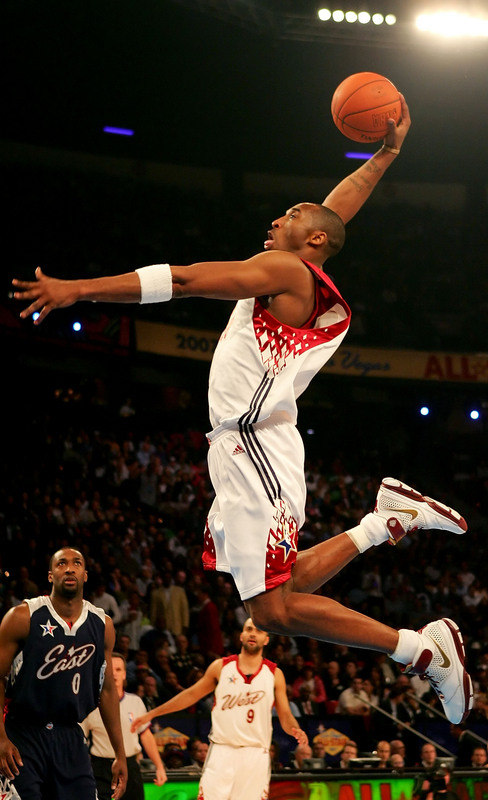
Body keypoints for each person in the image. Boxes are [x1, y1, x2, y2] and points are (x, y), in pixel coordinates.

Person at [12, 96, 472, 727]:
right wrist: (386, 154)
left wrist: (80, 289)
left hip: (253, 444)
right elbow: (335, 213)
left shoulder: (285, 268)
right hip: (248, 445)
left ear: (307, 241)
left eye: (288, 215)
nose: (274, 217)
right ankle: (384, 523)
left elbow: (188, 279)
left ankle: (423, 651)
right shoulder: (299, 265)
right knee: (280, 593)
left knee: (271, 611)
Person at [130, 618, 307, 800]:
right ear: (241, 636)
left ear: (266, 639)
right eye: (249, 629)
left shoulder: (274, 674)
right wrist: (152, 713)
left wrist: (296, 729)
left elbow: (285, 715)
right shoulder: (221, 667)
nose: (253, 633)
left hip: (255, 753)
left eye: (259, 630)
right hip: (223, 750)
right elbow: (190, 695)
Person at [0, 547, 127, 800]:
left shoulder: (102, 626)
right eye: (61, 564)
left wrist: (120, 754)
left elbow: (108, 689)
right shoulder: (22, 616)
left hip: (70, 735)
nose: (69, 568)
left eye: (76, 563)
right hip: (23, 735)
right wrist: (1, 738)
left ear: (85, 575)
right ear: (50, 576)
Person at [81, 652, 167, 799]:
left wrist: (159, 766)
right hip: (100, 768)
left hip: (130, 765)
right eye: (110, 669)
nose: (114, 674)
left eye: (118, 670)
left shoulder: (136, 702)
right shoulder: (89, 704)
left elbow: (145, 735)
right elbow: (80, 739)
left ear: (125, 675)